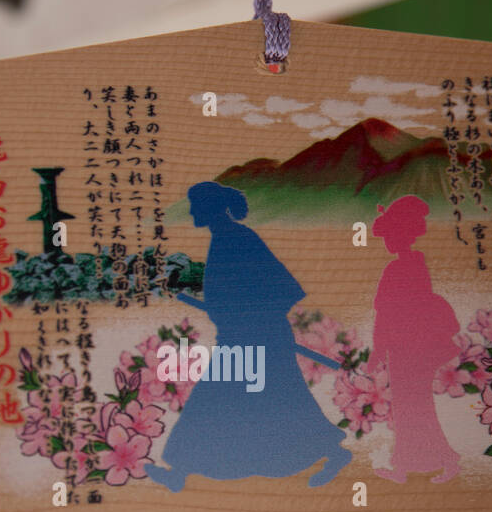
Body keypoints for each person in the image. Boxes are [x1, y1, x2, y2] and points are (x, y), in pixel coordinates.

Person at [147, 182, 351, 491]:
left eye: (195, 205)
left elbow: (283, 289)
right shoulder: (224, 239)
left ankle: (179, 472)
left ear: (209, 208)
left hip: (259, 337)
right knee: (257, 398)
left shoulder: (238, 238)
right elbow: (228, 297)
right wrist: (229, 311)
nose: (191, 211)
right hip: (242, 336)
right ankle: (179, 472)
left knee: (246, 398)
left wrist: (248, 315)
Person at [369, 195, 462, 483]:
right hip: (408, 349)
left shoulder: (400, 268)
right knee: (410, 408)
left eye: (390, 235)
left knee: (414, 408)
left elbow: (388, 314)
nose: (387, 242)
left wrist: (378, 350)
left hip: (408, 350)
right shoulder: (414, 263)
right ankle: (404, 468)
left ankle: (446, 461)